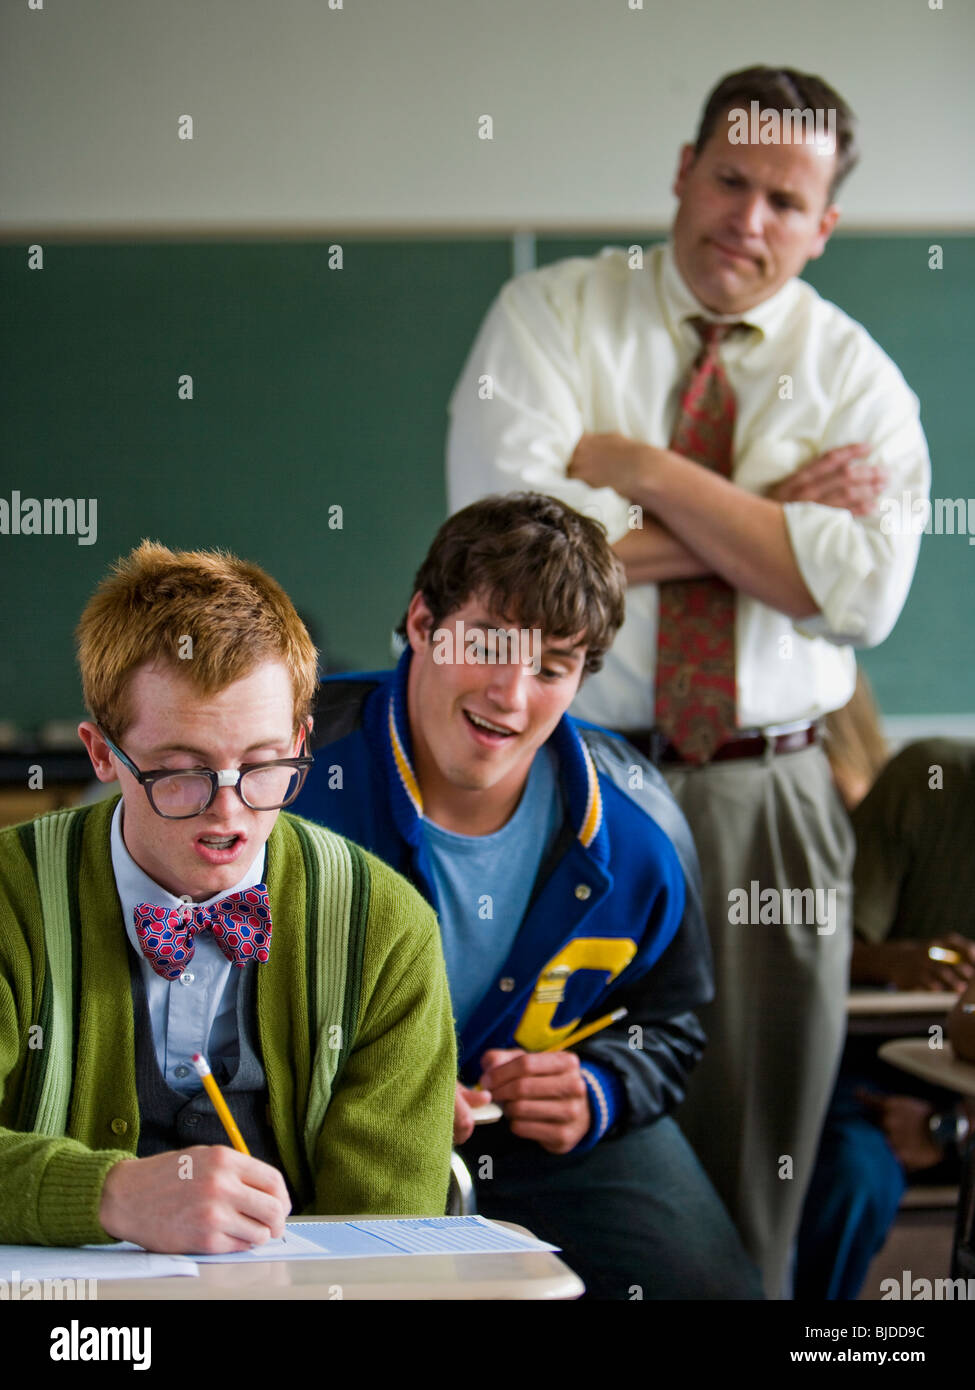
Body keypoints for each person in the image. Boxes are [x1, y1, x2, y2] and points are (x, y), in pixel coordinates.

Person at [445, 65, 930, 1296]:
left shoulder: (857, 378)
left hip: (771, 800)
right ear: (682, 168)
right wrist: (769, 526)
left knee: (759, 1156)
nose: (748, 219)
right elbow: (513, 561)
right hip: (565, 786)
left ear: (823, 225)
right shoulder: (550, 315)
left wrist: (636, 473)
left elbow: (861, 594)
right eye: (729, 179)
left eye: (785, 199)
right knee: (532, 1127)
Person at [294, 492, 762, 1299]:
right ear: (419, 623)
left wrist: (601, 1086)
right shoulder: (288, 771)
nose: (511, 695)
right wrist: (358, 1089)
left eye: (552, 668)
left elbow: (671, 1023)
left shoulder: (640, 822)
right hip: (319, 1128)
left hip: (542, 1145)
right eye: (486, 645)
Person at [0, 541, 456, 1251]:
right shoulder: (10, 895)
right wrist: (107, 1195)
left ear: (303, 740)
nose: (229, 812)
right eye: (179, 772)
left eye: (263, 764)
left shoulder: (387, 927)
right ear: (101, 754)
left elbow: (388, 1235)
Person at [797, 738, 975, 1298]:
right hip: (875, 1086)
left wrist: (952, 1131)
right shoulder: (931, 779)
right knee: (851, 1177)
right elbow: (820, 945)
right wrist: (890, 959)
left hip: (954, 1113)